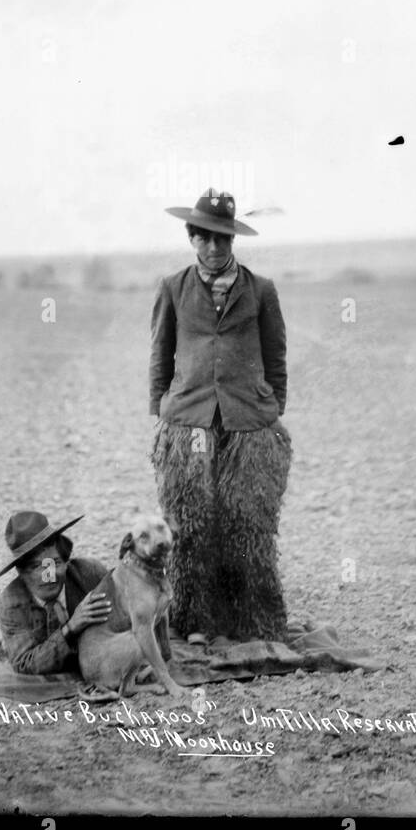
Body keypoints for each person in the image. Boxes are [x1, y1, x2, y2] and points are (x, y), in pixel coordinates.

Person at [149, 188, 292, 642]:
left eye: (223, 239)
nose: (214, 248)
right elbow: (160, 354)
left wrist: (270, 407)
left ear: (233, 242)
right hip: (187, 423)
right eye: (205, 238)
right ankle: (195, 621)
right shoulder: (172, 288)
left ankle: (255, 621)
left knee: (247, 522)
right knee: (189, 525)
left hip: (249, 423)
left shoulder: (262, 290)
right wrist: (163, 412)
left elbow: (276, 356)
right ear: (192, 238)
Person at [0, 510, 111, 675]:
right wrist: (71, 628)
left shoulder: (90, 574)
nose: (49, 576)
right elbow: (25, 664)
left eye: (54, 563)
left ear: (66, 561)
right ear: (22, 573)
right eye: (36, 567)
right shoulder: (11, 605)